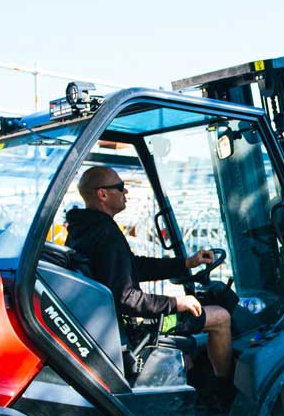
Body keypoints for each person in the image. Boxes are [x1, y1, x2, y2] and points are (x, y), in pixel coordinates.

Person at [64, 165, 234, 398]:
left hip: (113, 322)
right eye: (120, 187)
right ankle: (225, 397)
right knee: (221, 317)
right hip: (135, 324)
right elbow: (127, 298)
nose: (126, 192)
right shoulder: (106, 234)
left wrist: (186, 263)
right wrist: (177, 303)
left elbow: (133, 267)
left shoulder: (83, 229)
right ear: (102, 194)